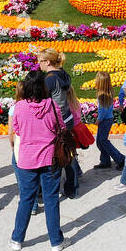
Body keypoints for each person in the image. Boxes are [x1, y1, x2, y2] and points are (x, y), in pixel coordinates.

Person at [9, 72, 68, 251]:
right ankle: (56, 241)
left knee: (26, 198)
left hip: (27, 159)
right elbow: (61, 127)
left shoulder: (19, 107)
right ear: (44, 87)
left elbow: (17, 130)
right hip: (50, 157)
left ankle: (17, 239)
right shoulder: (52, 105)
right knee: (51, 199)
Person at [39, 49, 81, 199]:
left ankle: (54, 188)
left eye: (41, 61)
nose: (39, 64)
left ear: (48, 62)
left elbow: (42, 99)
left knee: (56, 155)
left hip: (56, 121)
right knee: (68, 151)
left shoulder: (49, 79)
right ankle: (73, 186)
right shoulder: (63, 73)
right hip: (67, 117)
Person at [93, 72, 126, 170]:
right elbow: (108, 108)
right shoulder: (108, 92)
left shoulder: (102, 95)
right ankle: (105, 161)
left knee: (103, 141)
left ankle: (120, 159)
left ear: (100, 83)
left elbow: (103, 110)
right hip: (108, 118)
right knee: (100, 141)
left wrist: (98, 120)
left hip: (105, 120)